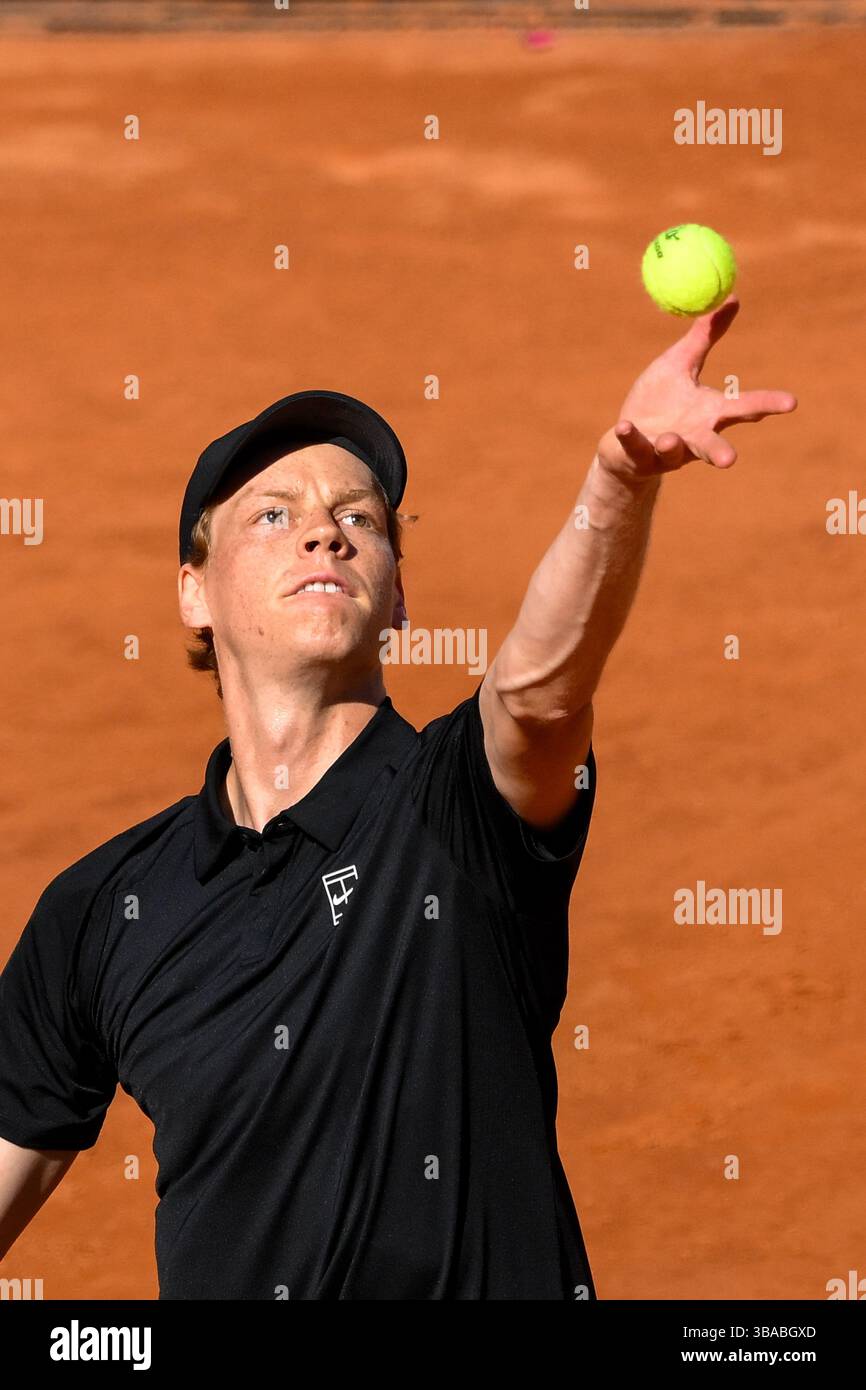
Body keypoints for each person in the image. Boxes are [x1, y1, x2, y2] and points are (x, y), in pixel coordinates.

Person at [0, 297, 796, 1299]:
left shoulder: (455, 813)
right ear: (192, 593)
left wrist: (617, 480)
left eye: (358, 519)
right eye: (273, 515)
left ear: (398, 593)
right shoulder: (103, 912)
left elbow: (538, 691)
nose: (324, 535)